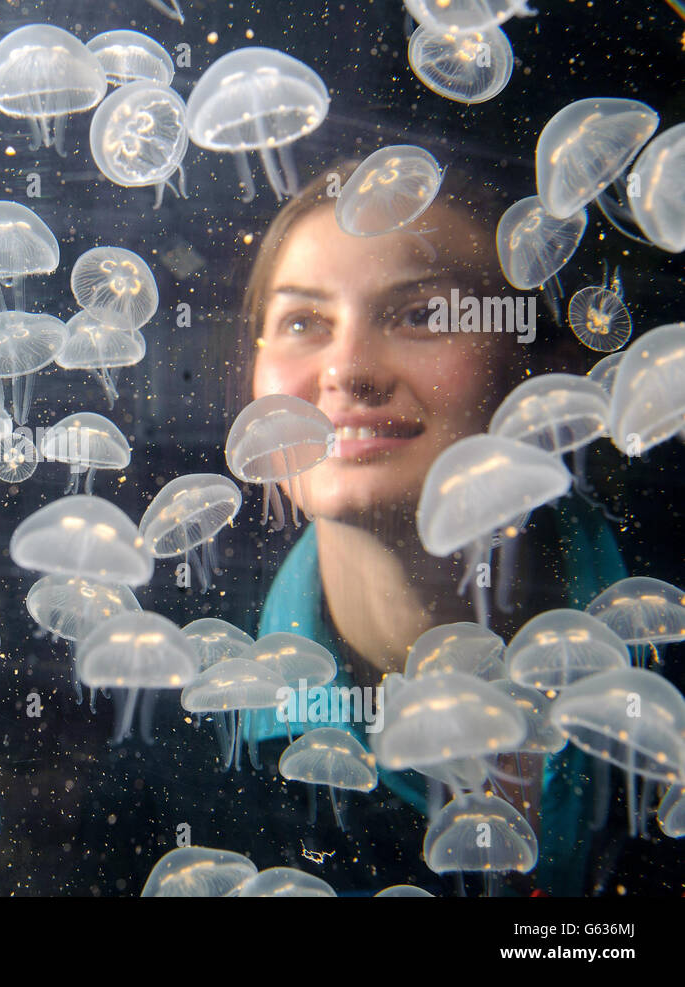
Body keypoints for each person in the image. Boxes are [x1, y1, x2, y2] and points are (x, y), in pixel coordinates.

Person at [234, 158, 628, 895]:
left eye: (421, 315)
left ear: (541, 364)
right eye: (302, 321)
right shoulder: (179, 748)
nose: (347, 371)